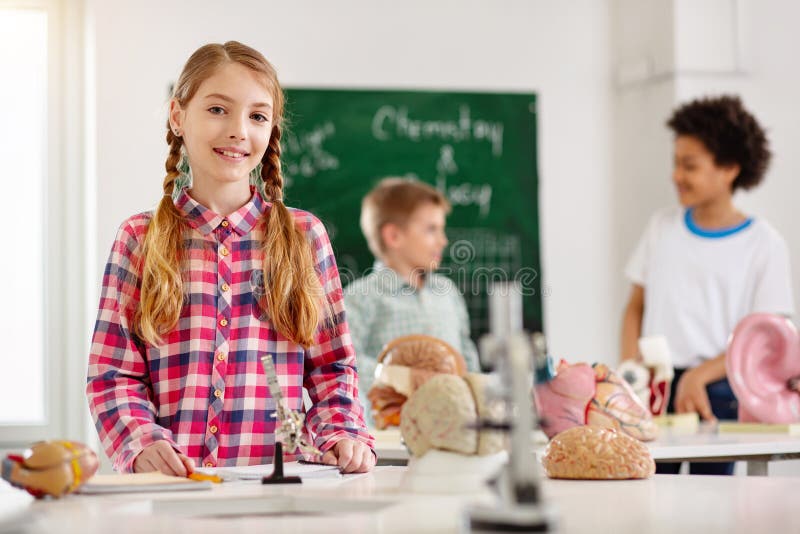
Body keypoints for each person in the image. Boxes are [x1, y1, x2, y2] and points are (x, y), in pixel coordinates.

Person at [86, 41, 374, 475]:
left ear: (271, 128)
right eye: (218, 109)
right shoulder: (138, 238)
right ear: (178, 116)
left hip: (280, 494)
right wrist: (141, 443)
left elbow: (333, 369)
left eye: (257, 116)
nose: (239, 130)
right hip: (175, 493)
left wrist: (344, 433)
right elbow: (113, 376)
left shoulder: (303, 237)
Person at [620, 95, 795, 475]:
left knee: (711, 504)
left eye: (690, 165)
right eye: (675, 163)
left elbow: (765, 343)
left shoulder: (764, 244)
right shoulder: (661, 228)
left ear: (730, 168)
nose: (676, 175)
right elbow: (635, 306)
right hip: (655, 390)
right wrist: (631, 369)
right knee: (647, 489)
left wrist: (699, 376)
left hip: (717, 392)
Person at [343, 178, 480, 422]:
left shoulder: (447, 293)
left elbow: (467, 357)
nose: (443, 240)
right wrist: (398, 377)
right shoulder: (361, 297)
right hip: (391, 435)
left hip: (452, 426)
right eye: (431, 229)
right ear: (394, 236)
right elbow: (344, 363)